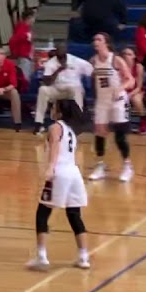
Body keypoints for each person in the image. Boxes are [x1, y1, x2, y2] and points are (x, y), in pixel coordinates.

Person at [27, 99, 92, 271]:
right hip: (74, 173)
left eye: (54, 107)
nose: (51, 109)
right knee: (74, 215)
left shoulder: (56, 127)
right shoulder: (72, 130)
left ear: (60, 112)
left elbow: (55, 147)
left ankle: (42, 257)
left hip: (60, 173)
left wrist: (50, 167)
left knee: (42, 213)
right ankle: (84, 257)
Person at [88, 33, 135, 182]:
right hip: (102, 101)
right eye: (94, 39)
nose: (95, 41)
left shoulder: (116, 60)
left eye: (99, 39)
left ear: (106, 43)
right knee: (99, 134)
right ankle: (100, 165)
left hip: (118, 101)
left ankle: (127, 165)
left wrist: (120, 88)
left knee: (119, 136)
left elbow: (131, 80)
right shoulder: (93, 61)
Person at [34, 42, 93, 134]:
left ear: (66, 50)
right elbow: (46, 82)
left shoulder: (75, 60)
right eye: (58, 49)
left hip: (72, 90)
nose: (60, 51)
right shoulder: (51, 63)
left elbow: (91, 70)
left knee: (76, 89)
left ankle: (79, 122)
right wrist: (58, 70)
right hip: (57, 90)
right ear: (56, 51)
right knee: (42, 90)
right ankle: (38, 124)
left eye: (62, 49)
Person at [121, 48, 146, 135]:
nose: (126, 56)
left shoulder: (139, 67)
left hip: (136, 90)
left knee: (136, 99)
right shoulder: (119, 66)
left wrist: (129, 95)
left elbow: (139, 87)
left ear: (134, 56)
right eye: (125, 54)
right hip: (123, 90)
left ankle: (143, 122)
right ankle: (122, 124)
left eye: (129, 54)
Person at [8, 8, 36, 81]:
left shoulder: (27, 28)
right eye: (33, 18)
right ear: (29, 18)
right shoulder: (21, 28)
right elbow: (13, 41)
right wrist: (16, 53)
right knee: (25, 78)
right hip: (23, 57)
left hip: (27, 57)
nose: (34, 20)